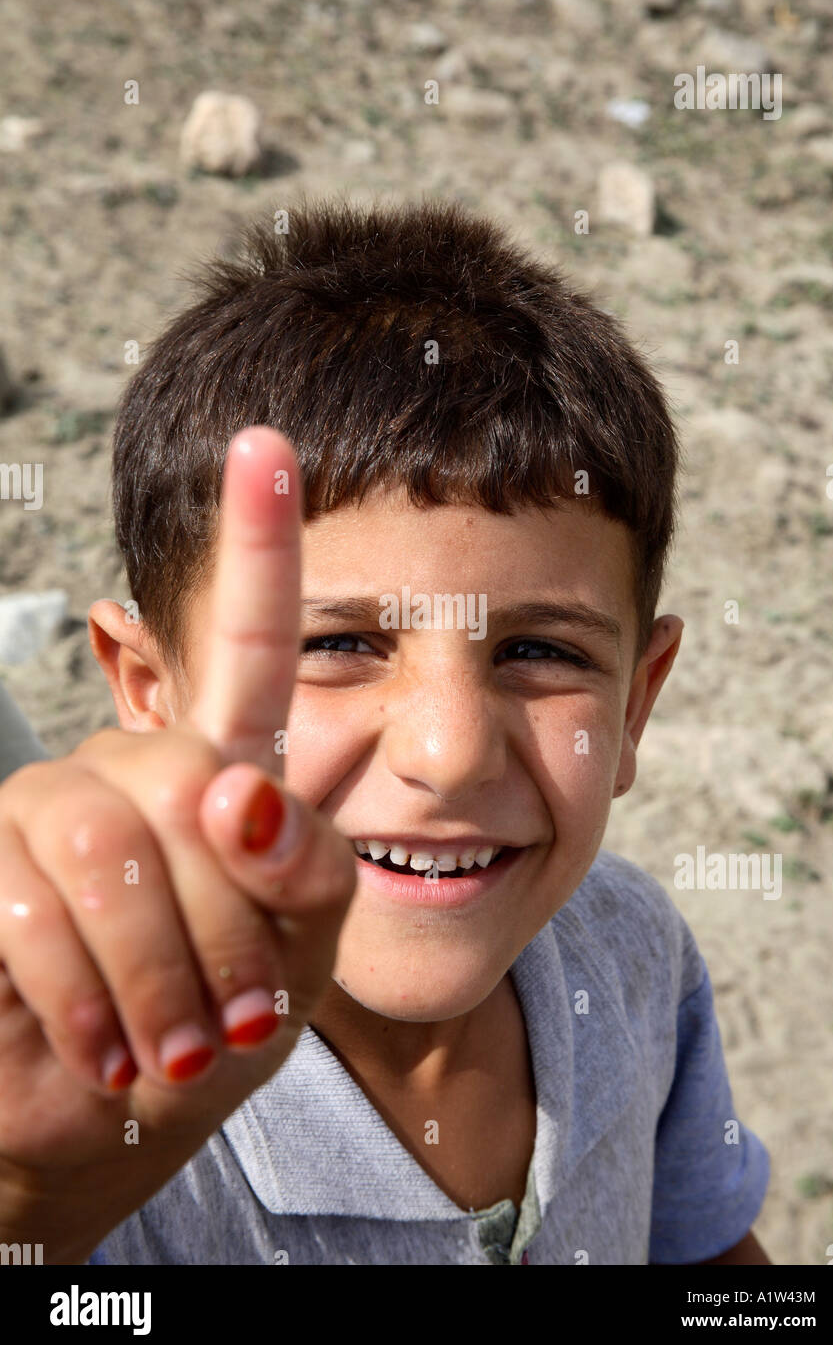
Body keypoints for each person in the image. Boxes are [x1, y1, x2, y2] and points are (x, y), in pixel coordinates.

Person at [0, 195, 770, 1265]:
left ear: (634, 702)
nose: (448, 753)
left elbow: (706, 1252)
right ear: (147, 688)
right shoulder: (106, 1124)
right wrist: (34, 1210)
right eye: (337, 646)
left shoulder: (631, 955)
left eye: (538, 651)